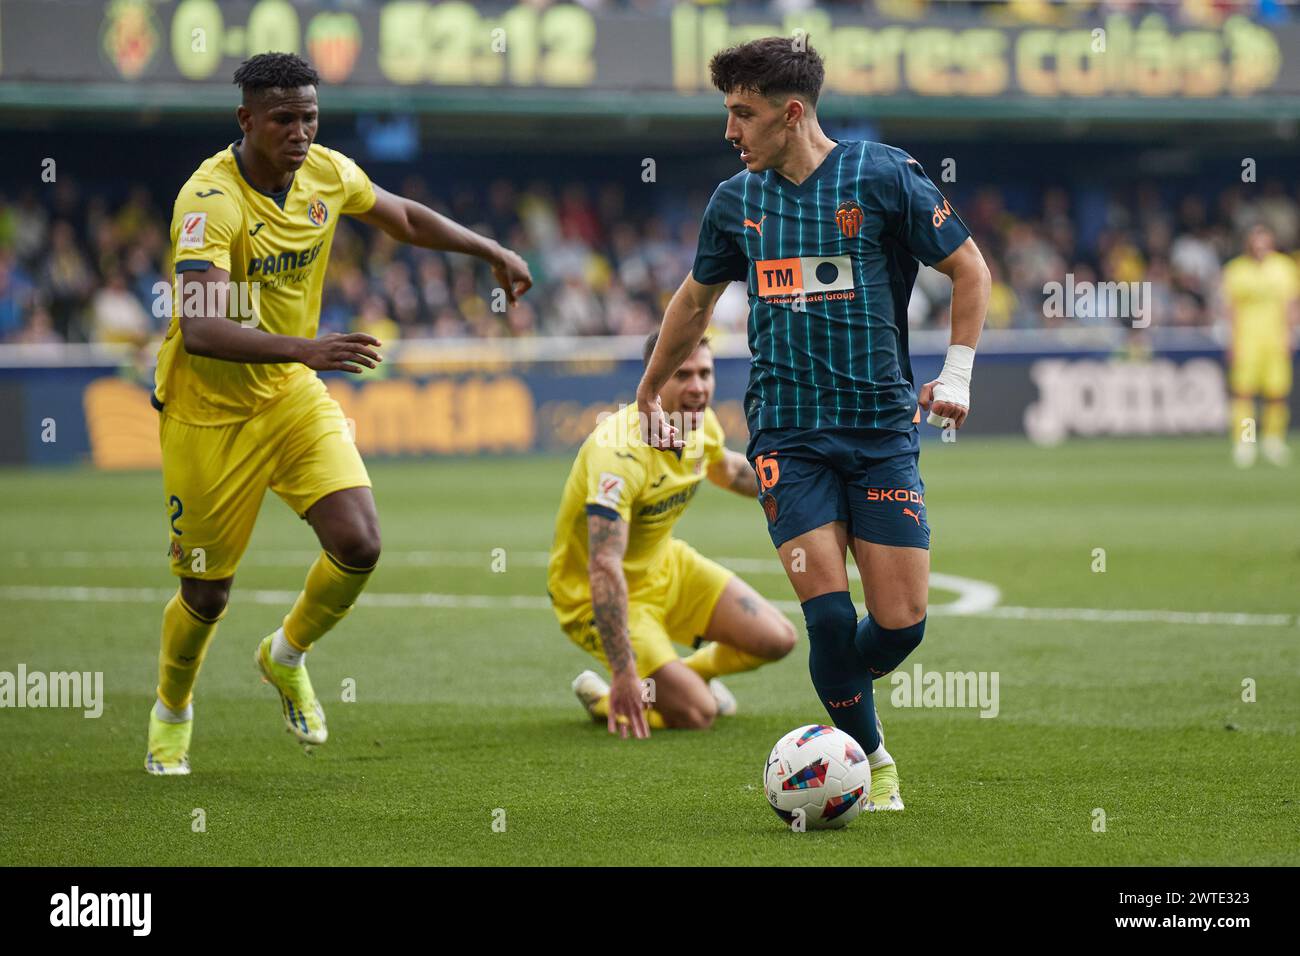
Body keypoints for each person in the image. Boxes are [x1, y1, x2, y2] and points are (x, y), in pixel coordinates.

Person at [146, 52, 531, 775]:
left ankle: (285, 654)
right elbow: (199, 327)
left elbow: (405, 217)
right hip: (209, 412)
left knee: (359, 543)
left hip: (290, 395)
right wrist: (307, 348)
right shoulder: (209, 201)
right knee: (205, 590)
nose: (299, 131)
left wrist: (491, 249)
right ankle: (173, 707)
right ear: (247, 121)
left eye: (309, 117)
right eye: (283, 119)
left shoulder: (328, 172)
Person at [637, 37, 990, 810]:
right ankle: (868, 757)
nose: (731, 131)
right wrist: (650, 389)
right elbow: (693, 303)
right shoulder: (735, 201)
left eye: (744, 114)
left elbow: (969, 268)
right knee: (830, 619)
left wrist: (956, 374)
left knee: (899, 629)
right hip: (787, 435)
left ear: (791, 114)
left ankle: (839, 706)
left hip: (880, 431)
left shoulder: (882, 175)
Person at [548, 334, 796, 737]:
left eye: (704, 373)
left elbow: (730, 471)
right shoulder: (619, 453)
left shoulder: (700, 424)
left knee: (778, 639)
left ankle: (681, 679)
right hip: (597, 595)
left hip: (666, 569)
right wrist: (626, 672)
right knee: (698, 714)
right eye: (682, 375)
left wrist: (804, 490)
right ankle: (609, 698)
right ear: (654, 378)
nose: (698, 387)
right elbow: (604, 564)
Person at [1222, 223, 1299, 467]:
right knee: (1244, 393)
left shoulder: (1284, 268)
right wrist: (1232, 340)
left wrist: (1290, 335)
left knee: (1277, 393)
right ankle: (1245, 441)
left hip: (1275, 340)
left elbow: (1291, 306)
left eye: (1264, 241)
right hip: (1246, 340)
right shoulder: (1236, 270)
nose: (1260, 246)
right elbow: (1230, 310)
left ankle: (1272, 440)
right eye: (1256, 241)